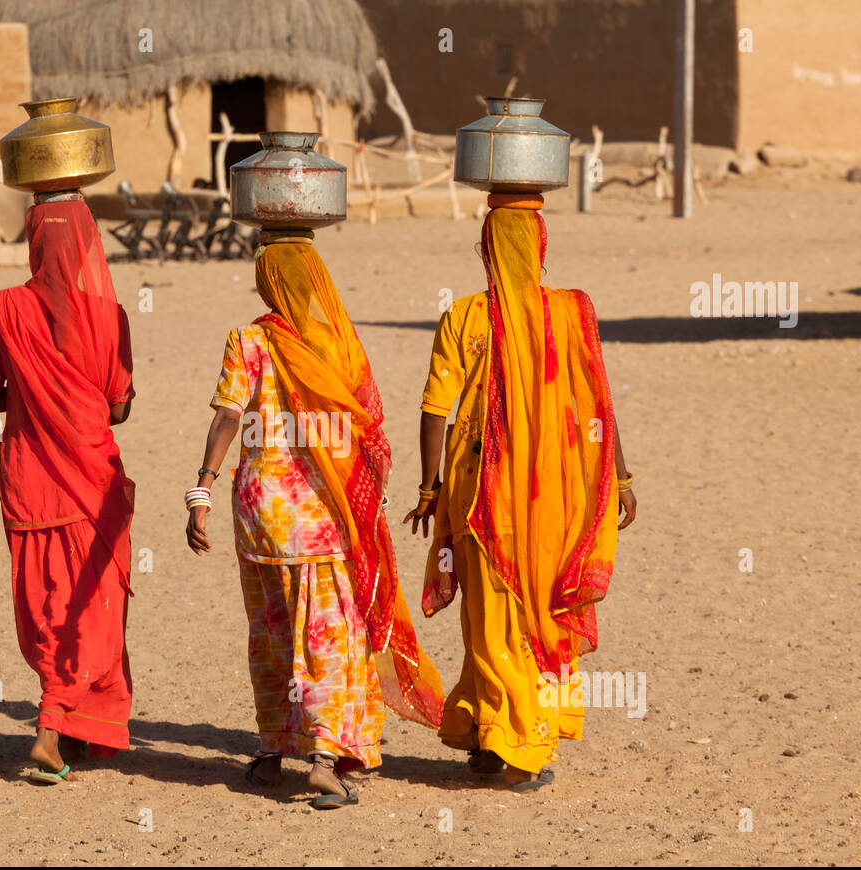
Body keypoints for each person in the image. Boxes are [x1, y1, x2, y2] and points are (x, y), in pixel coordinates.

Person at [187, 235, 444, 809]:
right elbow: (365, 430)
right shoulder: (339, 346)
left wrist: (201, 486)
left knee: (272, 632)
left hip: (259, 514)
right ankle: (325, 760)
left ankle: (273, 751)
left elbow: (229, 416)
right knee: (330, 635)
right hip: (325, 518)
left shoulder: (248, 340)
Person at [403, 193, 637, 790]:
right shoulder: (570, 311)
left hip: (478, 488)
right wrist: (620, 477)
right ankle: (513, 738)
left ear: (485, 249)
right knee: (538, 608)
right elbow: (597, 408)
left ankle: (493, 733)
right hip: (551, 491)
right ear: (540, 247)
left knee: (489, 615)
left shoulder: (463, 316)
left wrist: (429, 486)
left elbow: (435, 409)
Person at [0, 196, 136, 784]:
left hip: (28, 481)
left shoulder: (4, 307)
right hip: (90, 481)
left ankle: (75, 724)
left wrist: (33, 397)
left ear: (33, 242)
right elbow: (118, 406)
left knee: (46, 603)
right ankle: (51, 727)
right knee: (94, 604)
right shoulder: (109, 315)